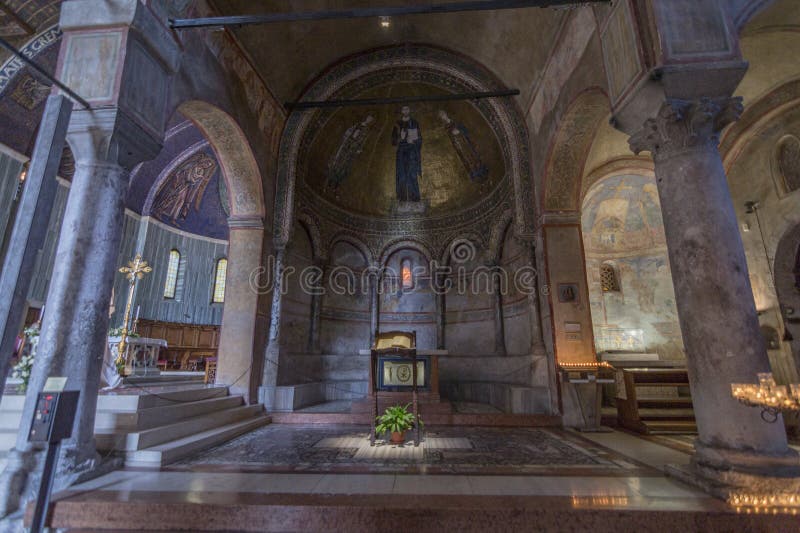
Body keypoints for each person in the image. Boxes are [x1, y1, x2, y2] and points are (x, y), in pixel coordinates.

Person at [391, 105, 422, 202]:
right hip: (401, 151)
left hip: (412, 150)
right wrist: (401, 138)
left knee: (412, 173)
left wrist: (414, 141)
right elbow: (393, 141)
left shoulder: (415, 123)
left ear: (410, 110)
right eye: (403, 108)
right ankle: (402, 197)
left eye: (407, 108)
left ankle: (414, 197)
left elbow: (420, 138)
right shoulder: (397, 124)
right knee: (402, 173)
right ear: (401, 111)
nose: (405, 110)